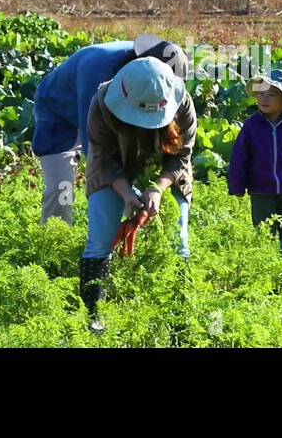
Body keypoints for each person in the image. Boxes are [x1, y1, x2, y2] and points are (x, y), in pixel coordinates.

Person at [79, 58, 196, 332]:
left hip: (168, 172)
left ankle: (181, 319)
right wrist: (126, 194)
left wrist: (157, 189)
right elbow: (104, 158)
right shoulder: (102, 103)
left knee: (179, 242)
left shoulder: (183, 104)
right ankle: (93, 318)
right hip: (115, 167)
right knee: (101, 239)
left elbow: (182, 158)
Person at [32, 34, 190, 226]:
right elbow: (96, 150)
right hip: (59, 114)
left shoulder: (157, 73)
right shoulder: (99, 72)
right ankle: (55, 239)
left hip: (104, 104)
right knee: (61, 188)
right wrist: (126, 192)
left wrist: (149, 187)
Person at [228, 69, 282, 249]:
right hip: (260, 190)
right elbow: (240, 158)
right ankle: (265, 262)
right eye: (260, 94)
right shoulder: (252, 127)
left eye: (271, 94)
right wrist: (237, 185)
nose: (264, 99)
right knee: (263, 229)